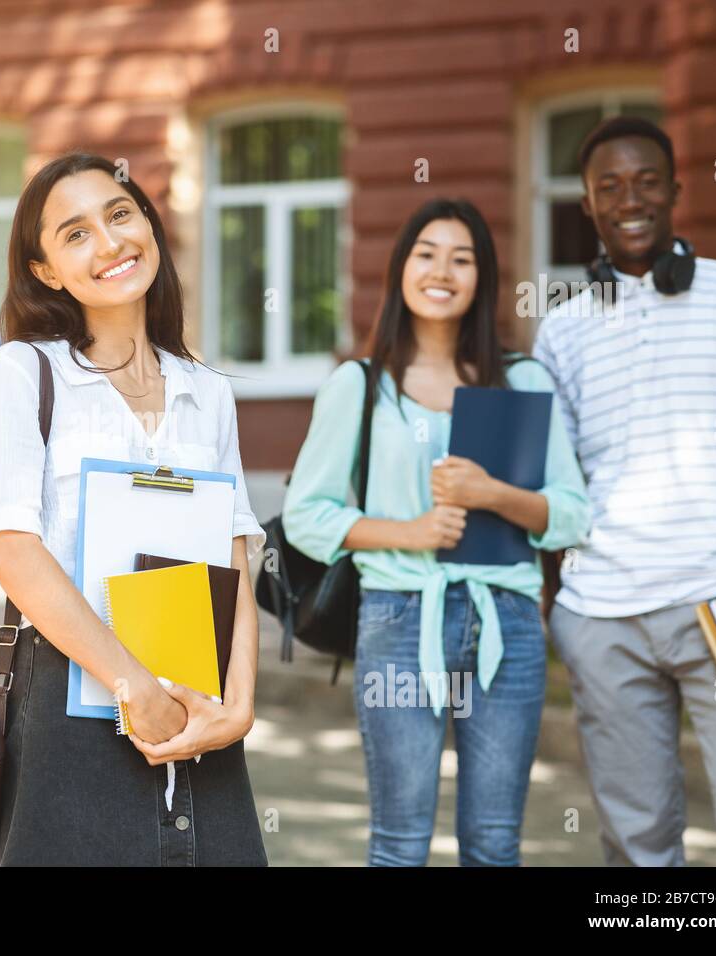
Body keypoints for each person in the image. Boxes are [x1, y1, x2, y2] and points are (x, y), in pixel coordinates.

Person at [0, 152, 267, 865]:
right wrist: (131, 683)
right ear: (44, 270)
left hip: (200, 690)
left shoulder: (206, 390)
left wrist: (241, 703)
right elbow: (9, 546)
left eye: (120, 214)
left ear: (149, 225)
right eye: (74, 234)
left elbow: (234, 550)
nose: (109, 243)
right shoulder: (24, 372)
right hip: (75, 696)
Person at [282, 198, 590, 866]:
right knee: (399, 844)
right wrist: (410, 531)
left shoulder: (523, 380)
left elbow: (571, 513)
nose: (442, 270)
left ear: (482, 276)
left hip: (505, 624)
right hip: (398, 618)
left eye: (462, 257)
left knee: (493, 843)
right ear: (400, 269)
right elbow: (308, 515)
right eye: (426, 253)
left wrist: (495, 495)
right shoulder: (360, 386)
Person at [533, 116, 716, 866]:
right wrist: (555, 610)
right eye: (610, 186)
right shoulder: (561, 331)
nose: (629, 199)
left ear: (674, 190)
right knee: (638, 846)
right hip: (603, 617)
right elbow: (552, 482)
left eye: (645, 182)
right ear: (588, 204)